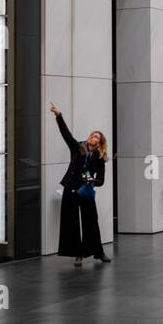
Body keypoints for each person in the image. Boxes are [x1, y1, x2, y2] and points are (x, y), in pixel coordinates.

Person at [50, 103, 109, 266]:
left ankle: (99, 251)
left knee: (91, 221)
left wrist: (92, 181)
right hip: (71, 188)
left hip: (86, 190)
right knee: (71, 221)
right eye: (92, 135)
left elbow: (101, 180)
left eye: (96, 136)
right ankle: (78, 254)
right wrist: (58, 115)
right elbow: (66, 134)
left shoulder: (99, 158)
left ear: (99, 143)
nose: (93, 137)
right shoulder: (77, 148)